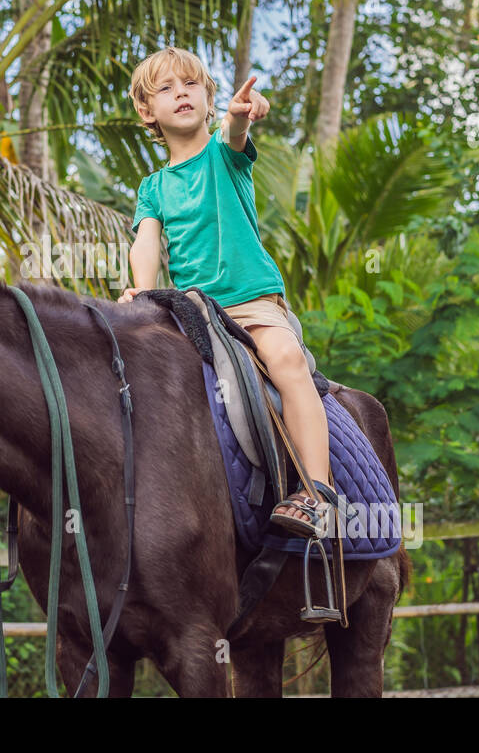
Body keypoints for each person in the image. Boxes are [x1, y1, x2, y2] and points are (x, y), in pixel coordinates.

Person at [118, 46, 334, 537]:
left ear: (209, 97)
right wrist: (143, 293)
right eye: (166, 88)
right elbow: (146, 240)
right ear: (147, 111)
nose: (181, 94)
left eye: (191, 84)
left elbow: (236, 136)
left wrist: (240, 118)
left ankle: (318, 493)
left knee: (285, 360)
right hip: (194, 312)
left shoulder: (223, 152)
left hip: (253, 302)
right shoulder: (152, 186)